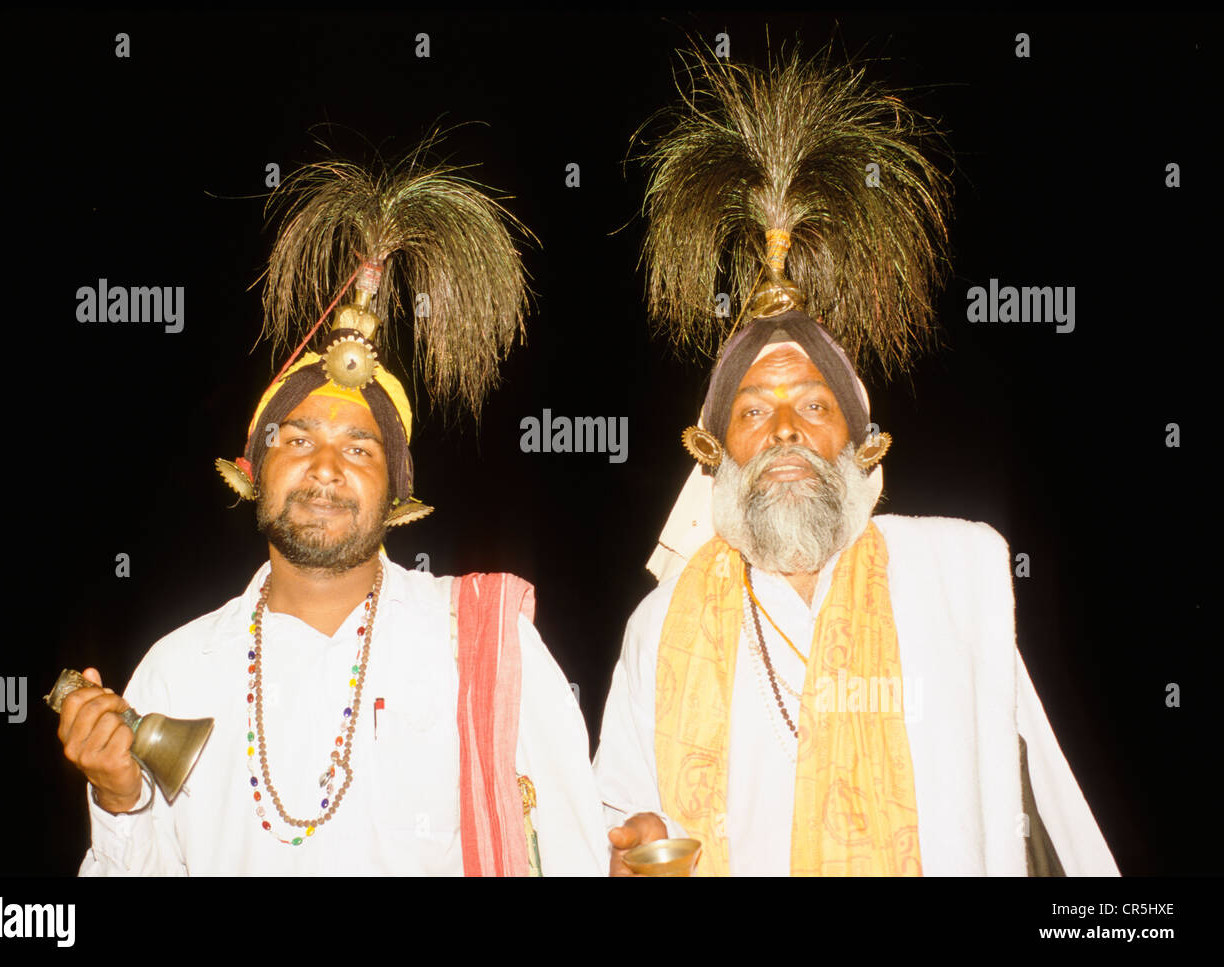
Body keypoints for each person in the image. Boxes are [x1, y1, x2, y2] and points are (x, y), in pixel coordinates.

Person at [593, 44, 1118, 876]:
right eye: (753, 411)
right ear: (714, 452)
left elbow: (1044, 808)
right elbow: (613, 822)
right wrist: (620, 852)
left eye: (814, 405)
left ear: (861, 443)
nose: (785, 431)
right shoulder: (658, 630)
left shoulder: (952, 583)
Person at [55, 142, 605, 875]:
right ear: (252, 470)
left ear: (397, 497)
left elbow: (574, 854)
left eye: (359, 449)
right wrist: (121, 797)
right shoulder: (177, 670)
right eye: (298, 438)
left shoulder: (483, 644)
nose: (324, 466)